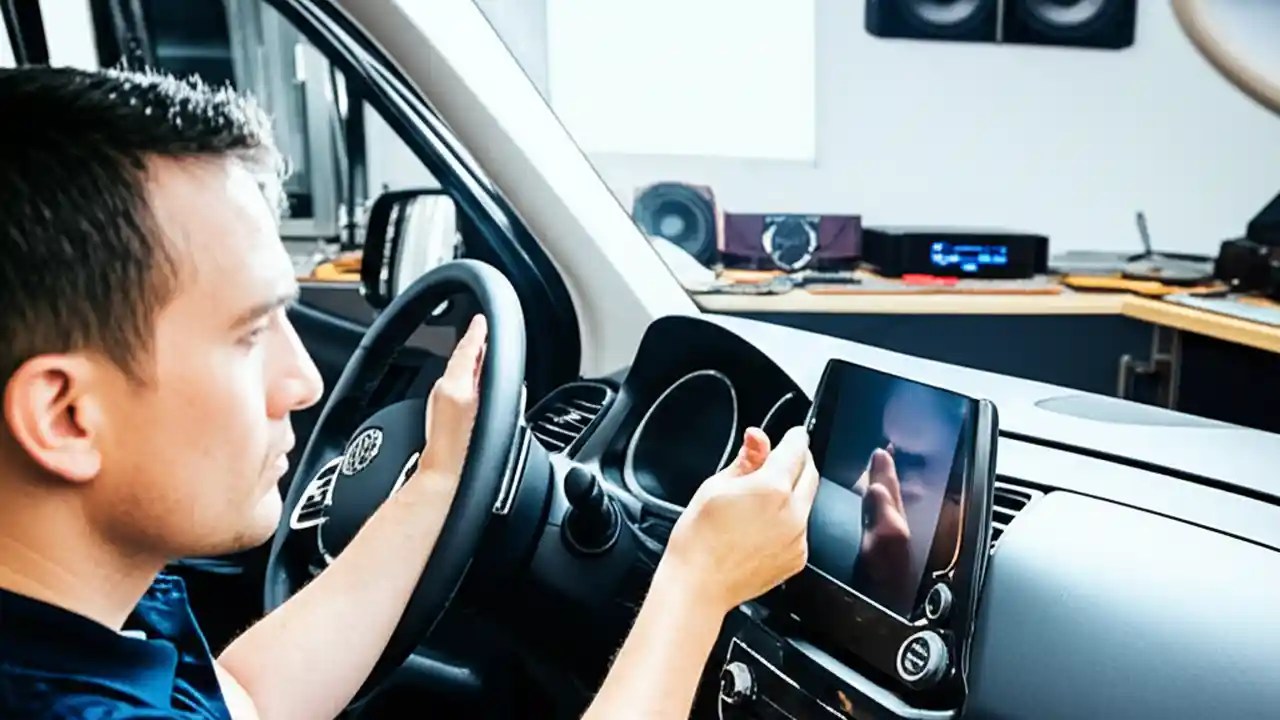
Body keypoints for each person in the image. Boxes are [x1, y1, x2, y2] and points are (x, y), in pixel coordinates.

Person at [0, 66, 820, 719]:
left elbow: (242, 702)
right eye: (250, 336)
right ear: (66, 417)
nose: (302, 380)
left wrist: (435, 483)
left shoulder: (74, 632)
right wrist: (694, 585)